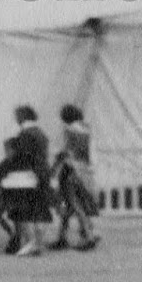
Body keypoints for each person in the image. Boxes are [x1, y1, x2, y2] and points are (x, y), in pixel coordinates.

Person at [0, 104, 51, 256]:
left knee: (22, 210)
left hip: (27, 177)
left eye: (17, 116)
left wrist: (0, 176)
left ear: (23, 117)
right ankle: (33, 243)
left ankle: (27, 242)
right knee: (37, 211)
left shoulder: (26, 135)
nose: (15, 119)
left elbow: (20, 158)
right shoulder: (41, 134)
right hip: (41, 175)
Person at [52, 103, 100, 251]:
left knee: (72, 204)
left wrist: (54, 169)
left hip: (70, 171)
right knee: (74, 204)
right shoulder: (87, 131)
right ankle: (63, 236)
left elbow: (64, 153)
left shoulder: (68, 131)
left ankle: (87, 236)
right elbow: (91, 155)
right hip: (84, 172)